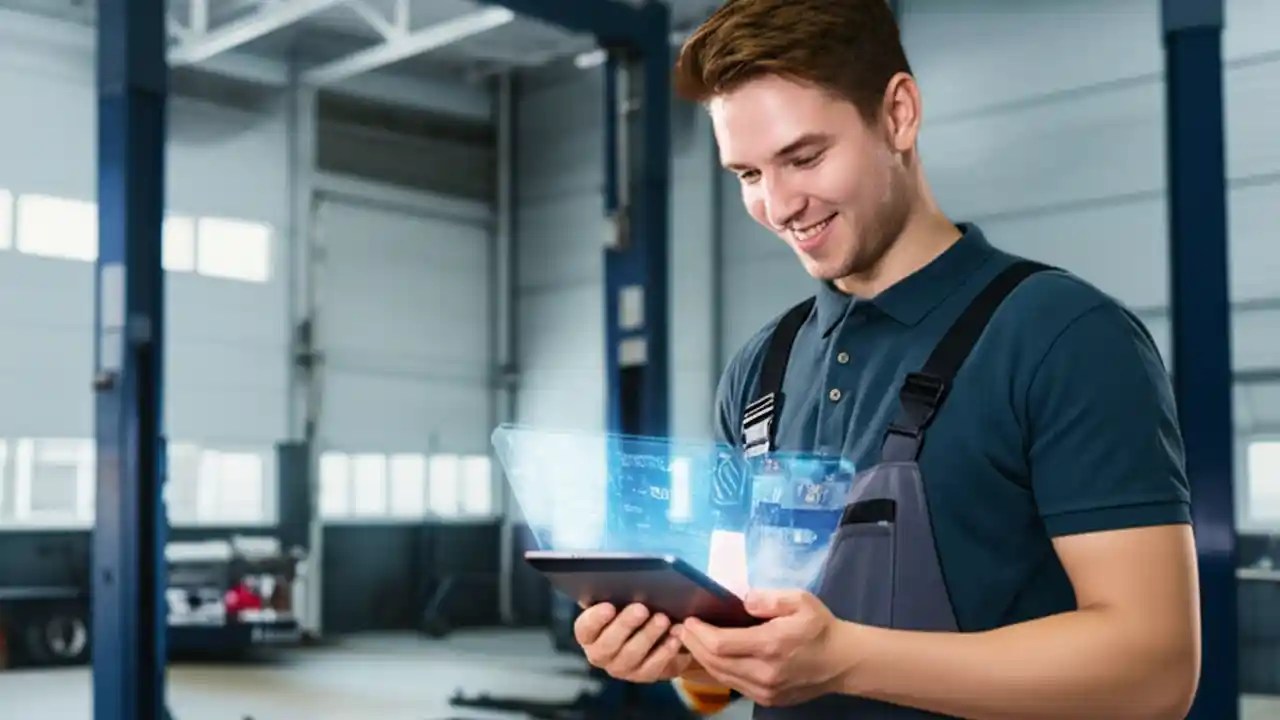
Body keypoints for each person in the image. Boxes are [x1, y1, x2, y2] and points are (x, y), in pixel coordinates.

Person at [572, 0, 1202, 718]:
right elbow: (722, 680)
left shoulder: (1063, 337)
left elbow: (1155, 672)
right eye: (747, 174)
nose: (779, 204)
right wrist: (684, 654)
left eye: (805, 158)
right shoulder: (759, 373)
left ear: (898, 114)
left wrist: (846, 660)